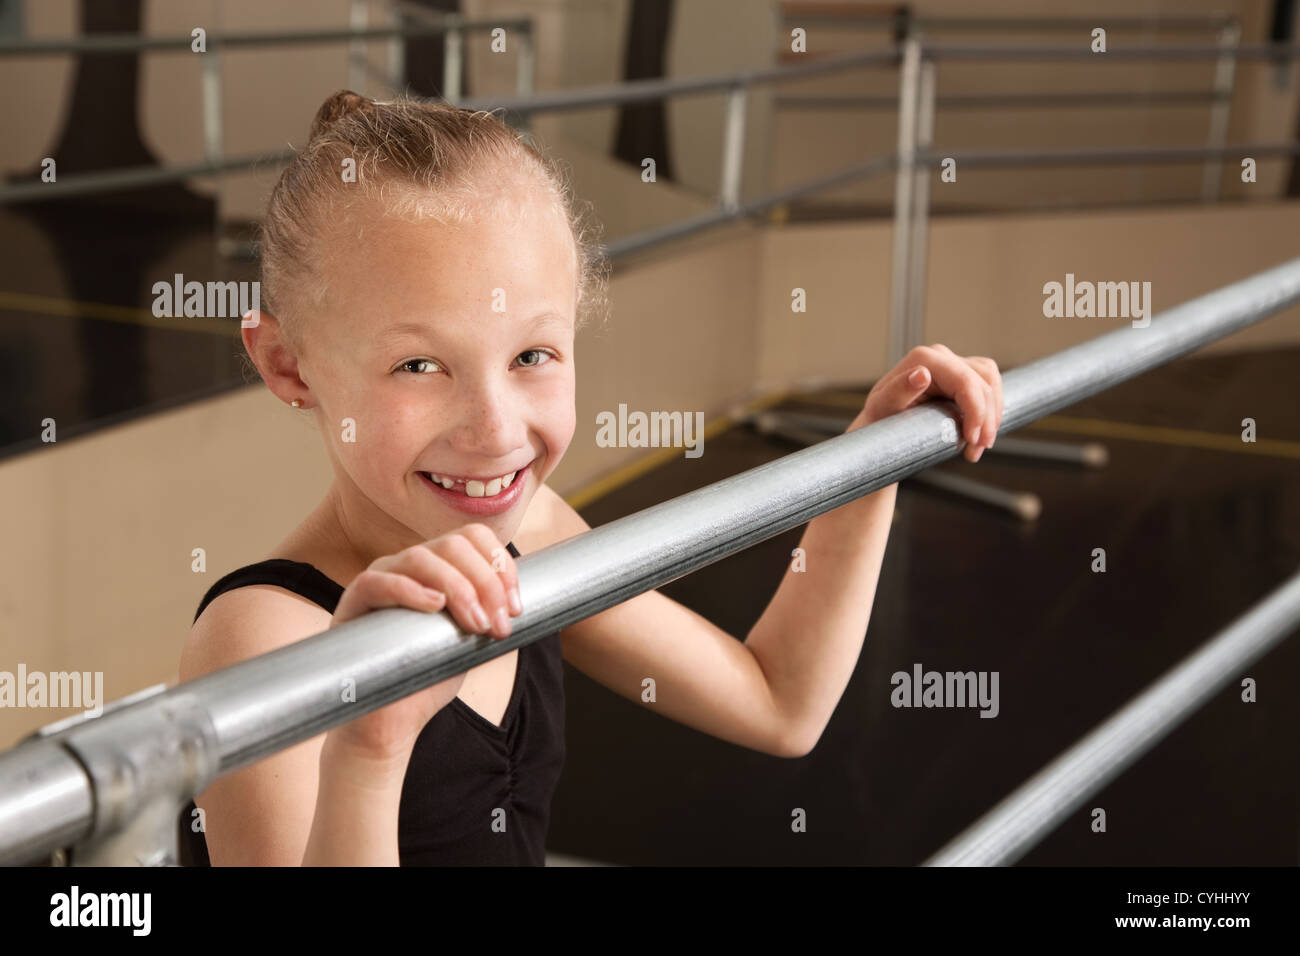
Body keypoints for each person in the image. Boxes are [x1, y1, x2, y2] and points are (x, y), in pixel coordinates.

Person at [178, 90, 1003, 866]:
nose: (496, 431)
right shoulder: (265, 639)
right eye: (419, 364)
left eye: (532, 355)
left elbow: (779, 701)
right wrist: (371, 746)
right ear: (288, 365)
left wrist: (873, 460)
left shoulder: (532, 533)